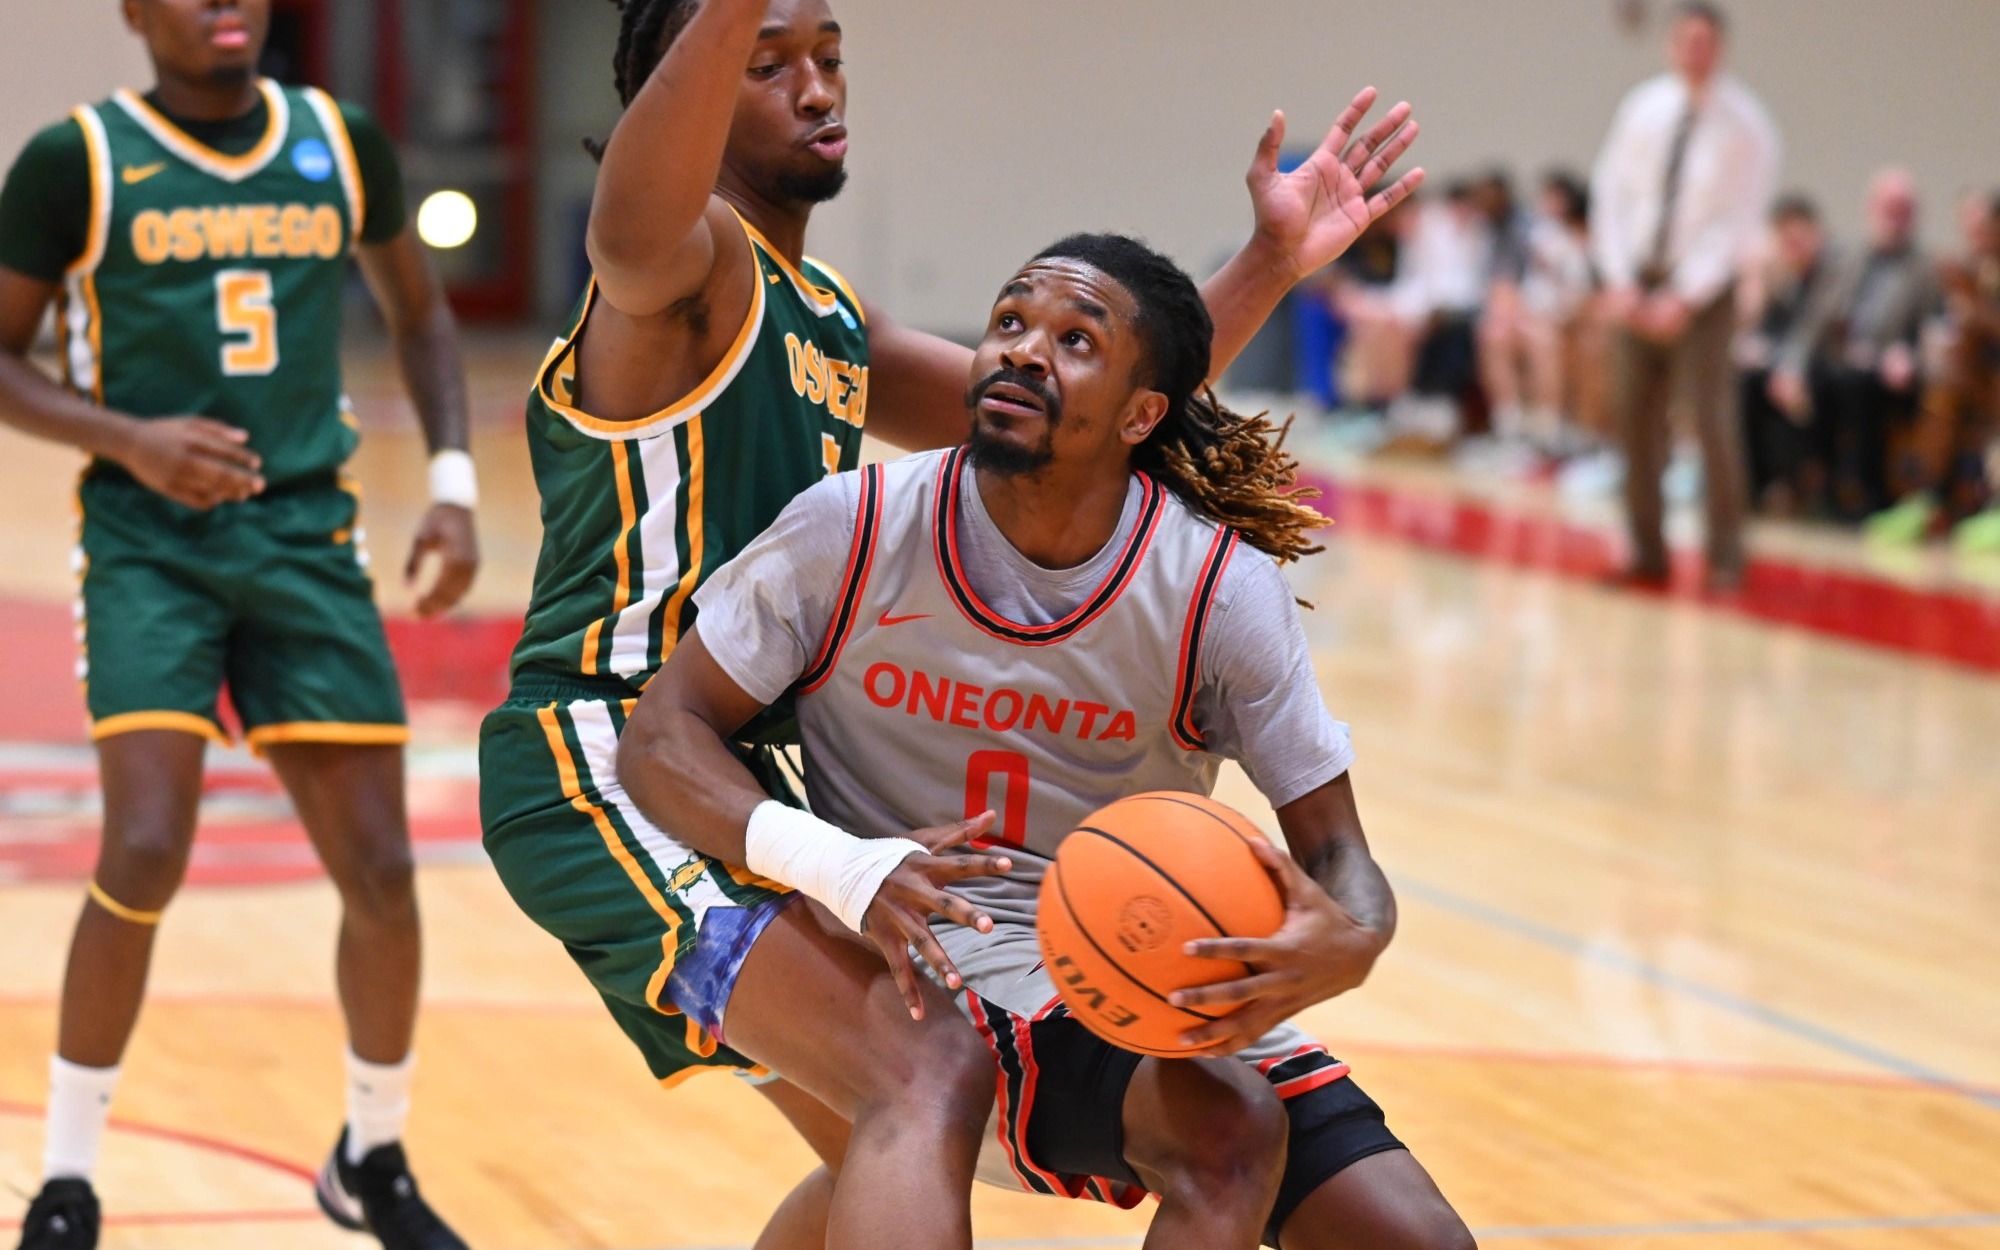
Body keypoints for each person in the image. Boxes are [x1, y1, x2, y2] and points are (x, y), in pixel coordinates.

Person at [476, 0, 1424, 1244]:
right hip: (613, 755)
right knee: (918, 1077)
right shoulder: (680, 272)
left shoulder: (822, 316)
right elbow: (628, 232)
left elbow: (1090, 402)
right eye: (768, 65)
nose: (817, 89)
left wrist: (1264, 265)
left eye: (828, 57)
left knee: (890, 1131)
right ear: (688, 94)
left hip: (738, 778)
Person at [621, 233, 1475, 1250]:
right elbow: (660, 737)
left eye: (1075, 339)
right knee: (1227, 1135)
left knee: (1419, 1241)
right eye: (1009, 321)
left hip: (1125, 955)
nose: (1022, 349)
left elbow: (1336, 850)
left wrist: (1353, 936)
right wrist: (834, 864)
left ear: (1141, 412)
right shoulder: (851, 528)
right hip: (907, 952)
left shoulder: (1212, 587)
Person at [0, 2, 479, 1248]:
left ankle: (369, 1153)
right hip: (148, 544)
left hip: (305, 538)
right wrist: (130, 440)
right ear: (132, 12)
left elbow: (421, 314)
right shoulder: (78, 160)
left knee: (381, 868)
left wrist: (451, 484)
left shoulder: (338, 138)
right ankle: (65, 1173)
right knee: (147, 843)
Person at [1590, 0, 1778, 589]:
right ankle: (1647, 551)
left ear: (1719, 48)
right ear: (1672, 44)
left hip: (1705, 293)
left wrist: (1686, 296)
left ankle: (1726, 557)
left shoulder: (1748, 125)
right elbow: (1609, 194)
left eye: (1706, 42)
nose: (1696, 52)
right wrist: (1618, 279)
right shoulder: (1643, 107)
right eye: (1686, 41)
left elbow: (1740, 223)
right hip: (1636, 282)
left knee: (1713, 422)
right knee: (1634, 421)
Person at [1870, 189, 2000, 546]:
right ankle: (1924, 499)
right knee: (1941, 397)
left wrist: (1978, 317)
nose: (1978, 239)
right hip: (1977, 378)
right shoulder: (1975, 271)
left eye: (1986, 230)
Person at [1804, 169, 1935, 524]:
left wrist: (1908, 356)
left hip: (1892, 371)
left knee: (1860, 386)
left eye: (1903, 209)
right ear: (1871, 209)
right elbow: (1815, 322)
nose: (1894, 217)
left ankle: (1869, 494)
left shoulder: (1926, 270)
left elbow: (1933, 328)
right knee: (1816, 377)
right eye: (1888, 207)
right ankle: (1825, 489)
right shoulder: (1847, 261)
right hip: (1842, 360)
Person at [1477, 171, 1596, 459]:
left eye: (1552, 196)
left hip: (1568, 317)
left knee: (1544, 341)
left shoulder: (1586, 238)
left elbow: (1584, 292)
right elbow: (1516, 285)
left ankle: (1548, 428)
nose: (1544, 203)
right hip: (1534, 312)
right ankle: (1510, 424)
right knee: (1495, 334)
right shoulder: (1536, 234)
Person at [1736, 194, 1837, 514]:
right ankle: (1750, 485)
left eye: (1799, 237)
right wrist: (1757, 276)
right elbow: (1749, 326)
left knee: (1796, 389)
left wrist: (1790, 369)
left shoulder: (1831, 273)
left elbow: (1813, 333)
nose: (1793, 245)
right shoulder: (1775, 274)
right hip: (1778, 367)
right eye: (1785, 238)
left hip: (1820, 363)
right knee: (1746, 380)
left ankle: (1792, 484)